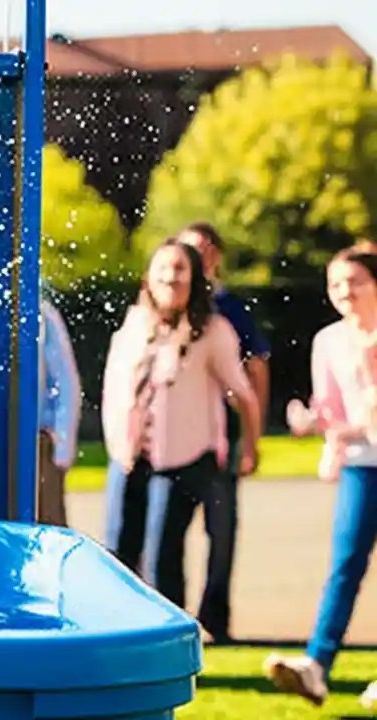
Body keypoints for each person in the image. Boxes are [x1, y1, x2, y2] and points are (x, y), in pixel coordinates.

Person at [101, 238, 261, 612]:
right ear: (148, 278)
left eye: (180, 269)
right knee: (117, 555)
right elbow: (113, 390)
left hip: (181, 460)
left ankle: (168, 646)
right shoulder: (132, 328)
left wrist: (248, 446)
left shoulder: (212, 331)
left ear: (195, 279)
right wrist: (117, 444)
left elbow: (243, 394)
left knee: (161, 559)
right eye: (163, 268)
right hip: (128, 458)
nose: (171, 277)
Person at [263, 243, 377, 708]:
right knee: (345, 565)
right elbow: (329, 409)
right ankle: (316, 667)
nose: (344, 291)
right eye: (335, 283)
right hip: (361, 465)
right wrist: (311, 422)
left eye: (355, 281)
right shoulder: (328, 341)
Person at [178, 221, 270, 644]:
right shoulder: (164, 303)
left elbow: (255, 369)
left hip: (222, 437)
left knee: (222, 529)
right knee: (164, 535)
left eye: (202, 250)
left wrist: (253, 439)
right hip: (171, 440)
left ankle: (215, 620)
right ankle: (172, 619)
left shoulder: (230, 309)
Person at [38, 297, 81, 526]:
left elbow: (65, 382)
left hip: (40, 443)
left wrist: (62, 447)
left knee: (48, 524)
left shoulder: (43, 316)